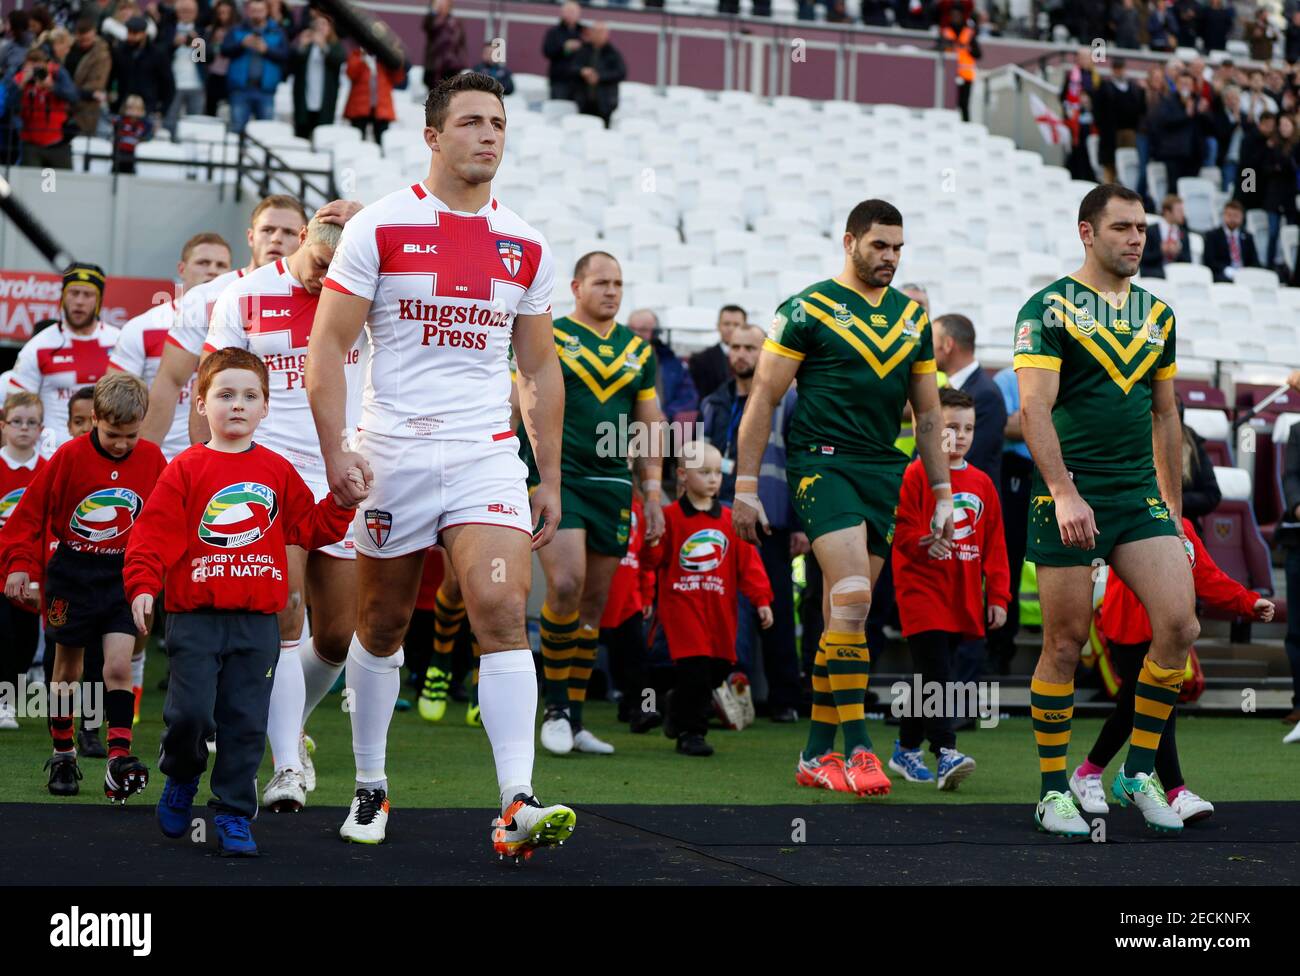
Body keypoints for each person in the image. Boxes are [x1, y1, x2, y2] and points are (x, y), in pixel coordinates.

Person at [306, 72, 576, 855]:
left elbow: (541, 371)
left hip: (484, 454)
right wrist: (337, 452)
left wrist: (546, 474)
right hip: (392, 452)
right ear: (432, 136)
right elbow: (327, 345)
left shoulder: (527, 242)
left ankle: (517, 801)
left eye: (498, 123)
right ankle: (369, 786)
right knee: (381, 624)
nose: (489, 135)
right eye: (470, 122)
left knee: (500, 612)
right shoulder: (380, 228)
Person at [734, 199, 954, 798]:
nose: (889, 257)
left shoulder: (912, 319)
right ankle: (858, 748)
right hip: (821, 463)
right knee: (853, 596)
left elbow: (930, 413)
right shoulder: (804, 309)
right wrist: (746, 487)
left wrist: (942, 490)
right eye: (879, 246)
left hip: (884, 471)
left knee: (844, 616)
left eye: (898, 248)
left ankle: (813, 755)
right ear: (850, 241)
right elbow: (762, 401)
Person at [125, 348, 364, 856]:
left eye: (250, 396)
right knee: (189, 715)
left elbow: (310, 528)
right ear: (200, 403)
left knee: (245, 722)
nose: (238, 405)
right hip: (194, 619)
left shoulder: (276, 470)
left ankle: (234, 813)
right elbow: (151, 538)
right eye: (225, 394)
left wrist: (342, 502)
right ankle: (182, 777)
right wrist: (143, 585)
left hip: (258, 624)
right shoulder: (185, 469)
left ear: (266, 407)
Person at [1013, 183, 1192, 837]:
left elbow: (1165, 414)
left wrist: (1170, 508)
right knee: (1064, 643)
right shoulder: (1047, 309)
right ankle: (1052, 789)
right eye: (1122, 227)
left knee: (1179, 627)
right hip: (1067, 492)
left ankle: (1134, 770)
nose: (1136, 238)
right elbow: (1033, 409)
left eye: (1142, 227)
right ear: (1087, 233)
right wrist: (1063, 490)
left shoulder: (1159, 315)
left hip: (1136, 495)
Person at [202, 213, 363, 813]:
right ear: (302, 242)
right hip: (272, 471)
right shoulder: (244, 295)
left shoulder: (361, 291)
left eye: (340, 270)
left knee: (339, 636)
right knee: (287, 614)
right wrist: (208, 465)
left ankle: (291, 720)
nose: (329, 280)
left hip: (341, 471)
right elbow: (213, 381)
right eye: (323, 266)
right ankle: (287, 766)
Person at [0, 372, 166, 801]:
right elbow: (28, 515)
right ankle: (62, 753)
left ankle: (117, 760)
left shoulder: (152, 460)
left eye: (130, 435)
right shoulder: (70, 456)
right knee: (67, 673)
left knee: (117, 668)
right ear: (93, 419)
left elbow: (165, 520)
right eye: (112, 434)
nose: (120, 444)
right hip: (71, 575)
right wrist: (18, 565)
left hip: (121, 576)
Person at [526, 251, 664, 758]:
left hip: (612, 483)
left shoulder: (637, 350)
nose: (611, 291)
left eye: (619, 284)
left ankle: (577, 718)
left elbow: (651, 423)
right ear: (577, 286)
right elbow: (524, 399)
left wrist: (651, 491)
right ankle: (556, 708)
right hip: (558, 479)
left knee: (592, 607)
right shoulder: (551, 334)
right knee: (565, 583)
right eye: (602, 282)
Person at [1075, 518, 1273, 823]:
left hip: (1164, 631)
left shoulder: (1183, 525)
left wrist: (1247, 602)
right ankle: (1174, 791)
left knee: (1133, 707)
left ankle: (1090, 772)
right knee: (1156, 707)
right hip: (1130, 629)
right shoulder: (1128, 514)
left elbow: (1206, 575)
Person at [140, 195, 358, 450]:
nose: (276, 238)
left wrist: (367, 222)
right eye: (268, 230)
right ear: (251, 236)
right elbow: (180, 381)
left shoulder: (354, 285)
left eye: (286, 231)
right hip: (264, 452)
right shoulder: (220, 295)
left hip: (345, 449)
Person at [891, 387, 1007, 788]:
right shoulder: (915, 473)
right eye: (950, 427)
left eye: (968, 428)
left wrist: (999, 596)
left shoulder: (983, 484)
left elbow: (995, 546)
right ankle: (945, 751)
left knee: (929, 676)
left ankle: (906, 749)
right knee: (938, 673)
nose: (959, 436)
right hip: (921, 590)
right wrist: (924, 539)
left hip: (963, 595)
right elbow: (900, 530)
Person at [642, 441, 772, 757]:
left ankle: (674, 705)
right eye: (704, 472)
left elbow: (749, 566)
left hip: (719, 612)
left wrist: (762, 600)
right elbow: (652, 561)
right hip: (682, 608)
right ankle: (692, 733)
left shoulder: (730, 518)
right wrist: (654, 542)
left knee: (716, 671)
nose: (714, 479)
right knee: (695, 669)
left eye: (717, 472)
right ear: (683, 476)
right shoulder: (670, 516)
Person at [701, 322, 803, 723]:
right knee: (722, 608)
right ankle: (724, 698)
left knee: (775, 608)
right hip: (717, 518)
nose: (741, 353)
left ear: (765, 353)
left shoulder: (788, 402)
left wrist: (798, 524)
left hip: (770, 521)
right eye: (736, 346)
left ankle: (785, 700)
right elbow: (696, 458)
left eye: (750, 347)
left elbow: (798, 462)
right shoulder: (712, 403)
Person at [109, 234, 233, 462]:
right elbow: (114, 401)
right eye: (203, 263)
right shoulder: (143, 327)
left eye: (221, 265)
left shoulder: (244, 327)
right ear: (182, 269)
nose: (213, 271)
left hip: (220, 458)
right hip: (158, 457)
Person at [6, 263, 118, 452]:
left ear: (99, 299)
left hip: (105, 453)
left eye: (87, 294)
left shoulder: (119, 342)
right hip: (51, 454)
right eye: (73, 293)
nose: (79, 301)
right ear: (63, 296)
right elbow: (15, 409)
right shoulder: (38, 346)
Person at [0, 392, 46, 731]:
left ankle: (10, 699)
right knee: (2, 633)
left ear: (41, 429)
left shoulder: (46, 470)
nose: (24, 429)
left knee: (26, 638)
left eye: (32, 423)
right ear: (3, 426)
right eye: (17, 422)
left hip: (31, 569)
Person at [599, 488, 658, 732]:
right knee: (614, 660)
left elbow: (646, 560)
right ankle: (565, 710)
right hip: (598, 597)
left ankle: (647, 708)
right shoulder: (598, 498)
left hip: (629, 599)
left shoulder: (640, 507)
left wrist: (646, 595)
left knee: (639, 659)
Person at [989, 365, 1034, 675]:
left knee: (1014, 559)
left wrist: (1028, 421)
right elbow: (1001, 425)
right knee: (1006, 557)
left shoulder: (1062, 375)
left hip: (1040, 473)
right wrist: (1042, 421)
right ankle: (997, 645)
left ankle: (1002, 643)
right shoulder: (1006, 379)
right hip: (1013, 470)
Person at [932, 313, 1005, 489]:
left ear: (948, 344)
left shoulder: (986, 395)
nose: (927, 349)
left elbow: (971, 458)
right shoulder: (952, 387)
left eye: (930, 342)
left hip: (970, 502)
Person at [221, 0, 289, 134]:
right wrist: (242, 44)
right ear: (248, 11)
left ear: (267, 12)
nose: (256, 14)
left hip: (265, 90)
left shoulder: (277, 31)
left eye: (260, 11)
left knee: (265, 133)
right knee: (237, 130)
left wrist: (267, 50)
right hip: (240, 89)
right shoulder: (237, 29)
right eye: (253, 11)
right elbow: (224, 51)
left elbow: (285, 55)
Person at [11, 47, 79, 170]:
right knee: (32, 182)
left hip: (58, 143)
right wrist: (21, 84)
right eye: (32, 65)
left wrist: (52, 86)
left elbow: (73, 96)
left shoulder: (58, 74)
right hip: (30, 142)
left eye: (39, 65)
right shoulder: (19, 77)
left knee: (59, 185)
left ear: (47, 64)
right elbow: (9, 105)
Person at [627, 308, 698, 423]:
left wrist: (665, 413)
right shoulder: (618, 359)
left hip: (661, 425)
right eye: (631, 329)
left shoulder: (672, 364)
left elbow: (689, 397)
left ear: (655, 333)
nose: (636, 334)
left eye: (643, 329)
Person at [289, 11, 345, 141]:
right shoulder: (307, 46)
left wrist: (323, 46)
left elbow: (338, 60)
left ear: (330, 29)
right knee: (301, 136)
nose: (320, 28)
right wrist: (301, 46)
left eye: (324, 24)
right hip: (305, 100)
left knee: (322, 136)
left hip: (324, 102)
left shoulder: (335, 46)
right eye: (317, 25)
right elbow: (292, 64)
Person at [110, 16, 174, 120]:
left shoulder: (157, 54)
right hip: (123, 106)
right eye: (129, 32)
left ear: (144, 34)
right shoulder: (120, 51)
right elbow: (113, 75)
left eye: (135, 33)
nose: (130, 37)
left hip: (148, 107)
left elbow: (168, 84)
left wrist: (162, 110)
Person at [343, 41, 405, 143]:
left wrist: (396, 59)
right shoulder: (357, 54)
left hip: (381, 106)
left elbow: (398, 78)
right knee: (356, 141)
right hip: (359, 106)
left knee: (382, 141)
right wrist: (362, 58)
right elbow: (351, 74)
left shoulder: (386, 57)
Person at [1095, 57, 1144, 186]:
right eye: (1117, 69)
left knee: (1128, 161)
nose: (1119, 71)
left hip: (1129, 130)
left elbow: (1139, 107)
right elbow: (1098, 110)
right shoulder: (1105, 86)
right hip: (1110, 132)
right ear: (1113, 70)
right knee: (1110, 163)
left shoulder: (1133, 87)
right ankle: (1109, 186)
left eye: (1121, 68)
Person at [160, 0, 204, 137]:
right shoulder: (167, 29)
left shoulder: (202, 30)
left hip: (196, 84)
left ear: (196, 13)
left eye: (190, 11)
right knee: (169, 122)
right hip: (174, 83)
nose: (186, 14)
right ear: (177, 12)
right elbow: (160, 55)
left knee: (195, 124)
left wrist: (199, 45)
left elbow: (206, 59)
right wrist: (173, 44)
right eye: (183, 10)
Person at [571, 22, 625, 128]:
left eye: (601, 32)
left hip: (605, 102)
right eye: (595, 31)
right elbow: (572, 68)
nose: (598, 34)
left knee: (602, 135)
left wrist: (599, 77)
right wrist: (582, 71)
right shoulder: (584, 50)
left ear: (607, 34)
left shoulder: (613, 53)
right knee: (583, 129)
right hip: (584, 100)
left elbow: (621, 73)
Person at [66, 16, 112, 138]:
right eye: (81, 40)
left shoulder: (102, 54)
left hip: (85, 109)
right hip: (64, 106)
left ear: (94, 33)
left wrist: (70, 92)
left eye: (88, 40)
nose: (84, 43)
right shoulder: (69, 48)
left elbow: (96, 84)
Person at [689, 304, 744, 403]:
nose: (731, 329)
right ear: (718, 326)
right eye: (726, 324)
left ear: (745, 327)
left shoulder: (757, 360)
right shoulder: (701, 360)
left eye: (736, 324)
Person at [1202, 199, 1261, 282]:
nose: (1232, 219)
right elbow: (1209, 261)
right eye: (1229, 215)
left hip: (1244, 274)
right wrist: (1226, 269)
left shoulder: (1248, 237)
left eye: (1236, 216)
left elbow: (1255, 261)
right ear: (1224, 216)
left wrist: (1246, 272)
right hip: (1223, 275)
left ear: (1242, 217)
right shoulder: (1212, 235)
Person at [938, 7, 979, 123]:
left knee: (964, 104)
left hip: (966, 75)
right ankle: (947, 126)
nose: (955, 18)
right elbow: (937, 49)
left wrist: (968, 49)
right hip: (949, 75)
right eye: (953, 15)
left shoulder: (969, 33)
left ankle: (966, 127)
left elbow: (978, 53)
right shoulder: (946, 32)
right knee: (949, 103)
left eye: (957, 15)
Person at [542, 0, 583, 102]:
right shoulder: (554, 32)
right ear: (562, 13)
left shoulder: (584, 32)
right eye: (568, 11)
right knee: (558, 108)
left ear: (579, 14)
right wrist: (564, 47)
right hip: (559, 80)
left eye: (573, 12)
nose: (571, 15)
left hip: (579, 81)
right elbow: (547, 51)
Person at [202, 0, 238, 117]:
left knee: (230, 112)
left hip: (231, 75)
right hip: (213, 75)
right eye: (220, 13)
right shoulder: (210, 31)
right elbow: (200, 57)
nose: (223, 16)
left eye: (226, 13)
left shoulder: (238, 31)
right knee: (210, 110)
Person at [421, 0, 465, 88]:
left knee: (450, 91)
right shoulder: (431, 20)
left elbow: (461, 42)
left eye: (444, 3)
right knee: (433, 92)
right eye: (438, 3)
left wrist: (461, 60)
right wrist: (434, 12)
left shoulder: (456, 22)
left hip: (451, 65)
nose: (441, 6)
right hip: (433, 65)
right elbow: (427, 26)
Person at [109, 93, 153, 173]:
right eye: (130, 108)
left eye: (137, 108)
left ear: (142, 110)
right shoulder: (120, 121)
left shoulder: (144, 124)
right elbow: (114, 127)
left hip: (134, 155)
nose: (133, 111)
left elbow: (147, 137)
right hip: (119, 154)